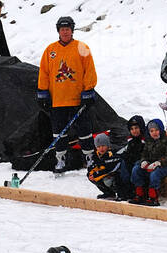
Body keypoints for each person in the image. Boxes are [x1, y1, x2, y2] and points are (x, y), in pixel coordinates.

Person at [37, 15, 97, 173]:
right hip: (57, 100)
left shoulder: (81, 47)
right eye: (62, 29)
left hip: (77, 98)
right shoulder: (50, 50)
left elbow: (89, 70)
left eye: (68, 29)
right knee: (58, 132)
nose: (65, 32)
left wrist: (88, 90)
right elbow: (44, 72)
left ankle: (89, 157)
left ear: (72, 30)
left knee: (84, 131)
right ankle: (60, 159)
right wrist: (42, 92)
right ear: (58, 31)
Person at [130, 118, 167, 206]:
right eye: (151, 131)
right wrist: (144, 161)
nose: (154, 133)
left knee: (155, 173)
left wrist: (159, 162)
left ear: (160, 129)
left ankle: (153, 197)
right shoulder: (149, 141)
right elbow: (144, 154)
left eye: (156, 130)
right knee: (136, 169)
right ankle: (140, 194)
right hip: (152, 164)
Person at [87, 132, 132, 201]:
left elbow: (110, 167)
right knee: (91, 175)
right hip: (106, 174)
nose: (101, 148)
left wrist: (97, 174)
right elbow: (92, 166)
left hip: (119, 176)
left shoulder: (113, 153)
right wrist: (91, 173)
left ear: (108, 146)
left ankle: (123, 194)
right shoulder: (95, 156)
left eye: (103, 146)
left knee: (115, 176)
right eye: (98, 147)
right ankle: (108, 192)